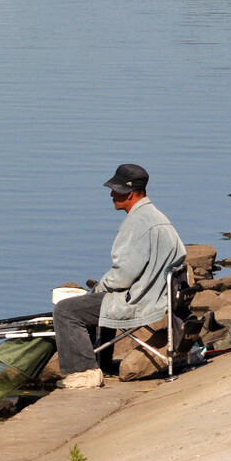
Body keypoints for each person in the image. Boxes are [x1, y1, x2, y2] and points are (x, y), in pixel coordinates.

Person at [53, 164, 186, 389]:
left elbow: (123, 277)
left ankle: (84, 371)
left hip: (141, 300)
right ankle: (102, 364)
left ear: (130, 193)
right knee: (98, 301)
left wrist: (99, 289)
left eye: (115, 190)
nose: (112, 194)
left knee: (65, 310)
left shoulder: (136, 223)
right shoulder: (158, 216)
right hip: (162, 295)